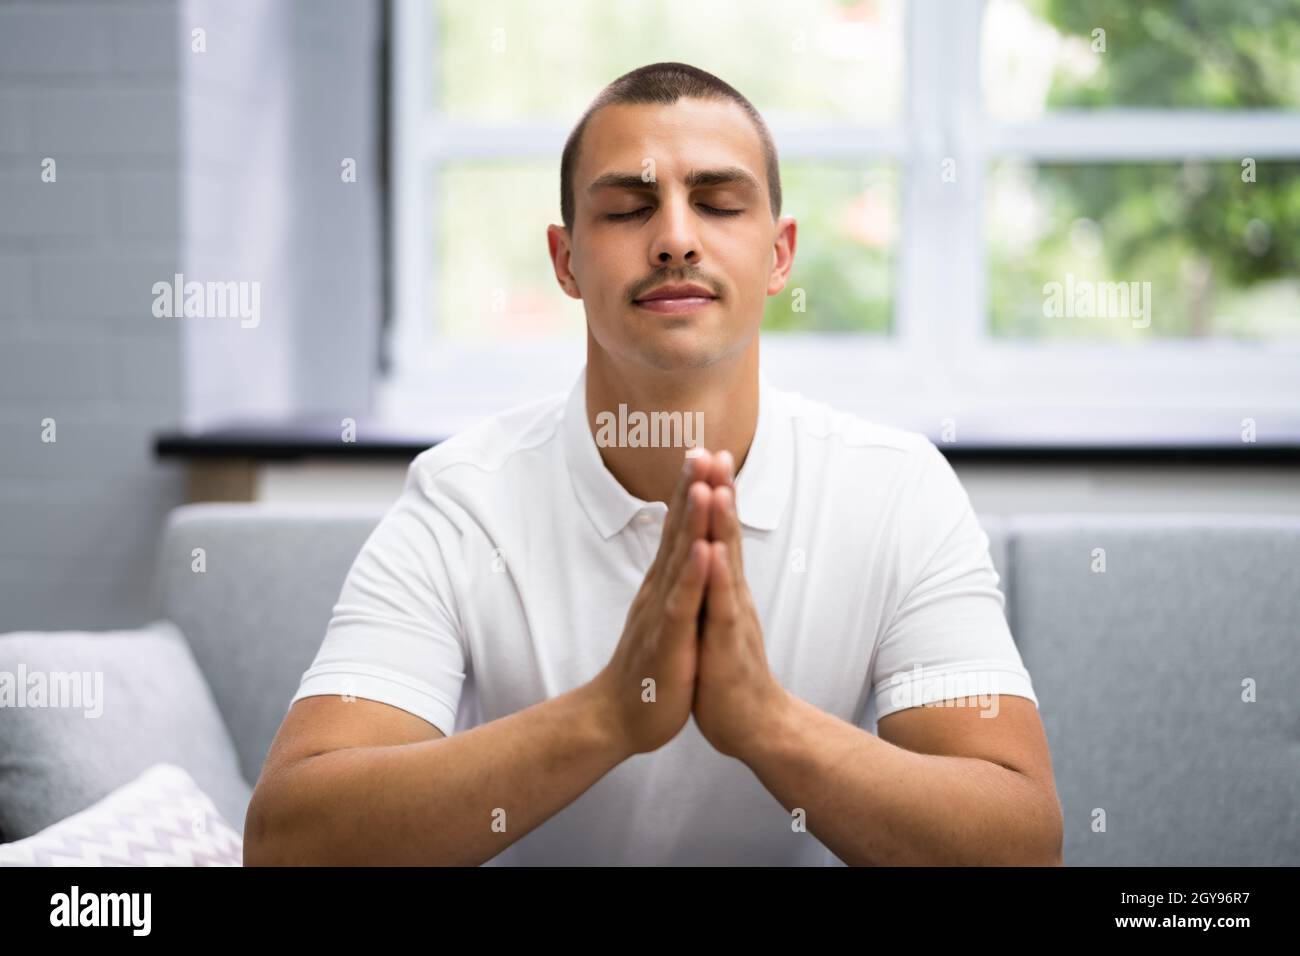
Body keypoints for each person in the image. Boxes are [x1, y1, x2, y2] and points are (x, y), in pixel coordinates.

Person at [243, 62, 1063, 866]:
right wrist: (608, 713)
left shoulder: (896, 492)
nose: (674, 238)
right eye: (630, 208)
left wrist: (767, 724)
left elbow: (1022, 846)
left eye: (718, 203)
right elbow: (286, 843)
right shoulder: (464, 499)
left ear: (780, 255)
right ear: (566, 262)